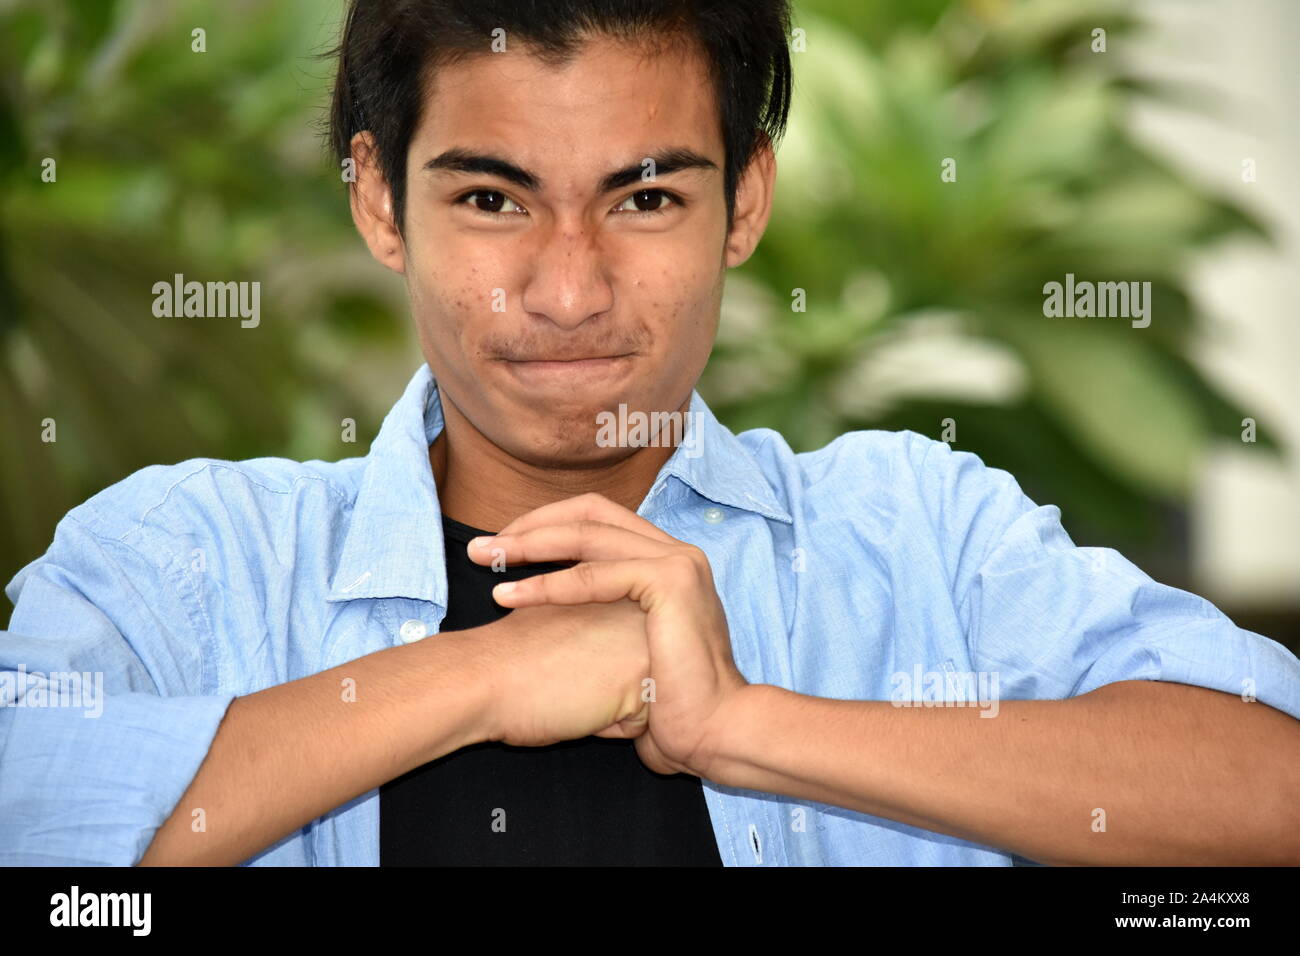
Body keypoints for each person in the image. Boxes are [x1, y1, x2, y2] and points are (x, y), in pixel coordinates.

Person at [3, 0, 1298, 867]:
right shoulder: (186, 559)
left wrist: (746, 724)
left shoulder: (917, 533)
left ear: (746, 203)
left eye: (647, 195)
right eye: (495, 199)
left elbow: (1268, 789)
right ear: (379, 203)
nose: (568, 291)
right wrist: (482, 679)